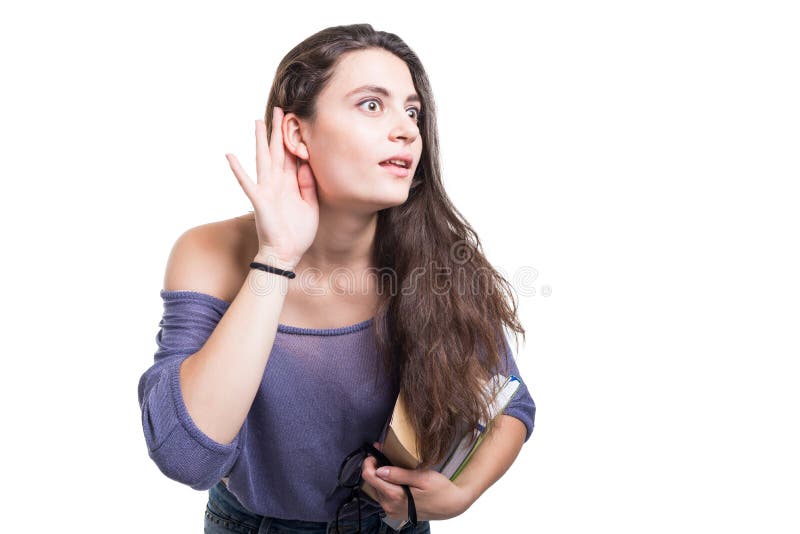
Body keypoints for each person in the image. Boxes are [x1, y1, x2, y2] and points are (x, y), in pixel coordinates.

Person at [137, 23, 536, 534]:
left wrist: (460, 494)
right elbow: (185, 457)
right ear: (297, 133)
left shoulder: (437, 256)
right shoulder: (208, 254)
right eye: (372, 105)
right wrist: (276, 257)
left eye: (411, 111)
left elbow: (509, 401)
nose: (407, 130)